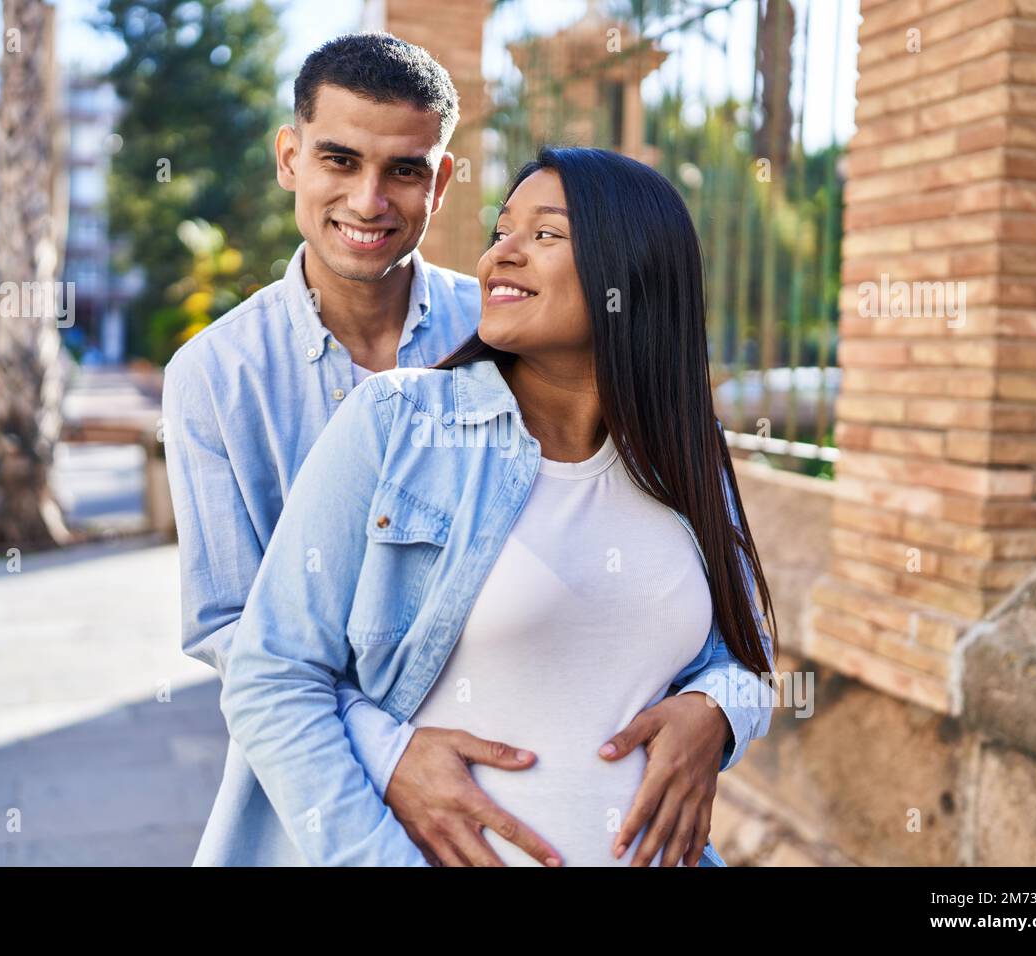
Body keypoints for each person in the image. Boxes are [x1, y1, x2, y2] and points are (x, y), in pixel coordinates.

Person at [220, 145, 779, 867]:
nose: (498, 257)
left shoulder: (685, 452)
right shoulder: (397, 422)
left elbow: (746, 651)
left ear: (634, 272)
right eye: (500, 232)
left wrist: (719, 713)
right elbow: (273, 676)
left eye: (545, 235)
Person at [166, 32, 559, 866]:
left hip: (516, 783)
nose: (369, 199)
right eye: (339, 161)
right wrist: (389, 749)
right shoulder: (214, 376)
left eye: (405, 171)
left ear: (441, 181)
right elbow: (231, 627)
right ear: (290, 158)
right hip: (315, 797)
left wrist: (716, 700)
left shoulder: (504, 328)